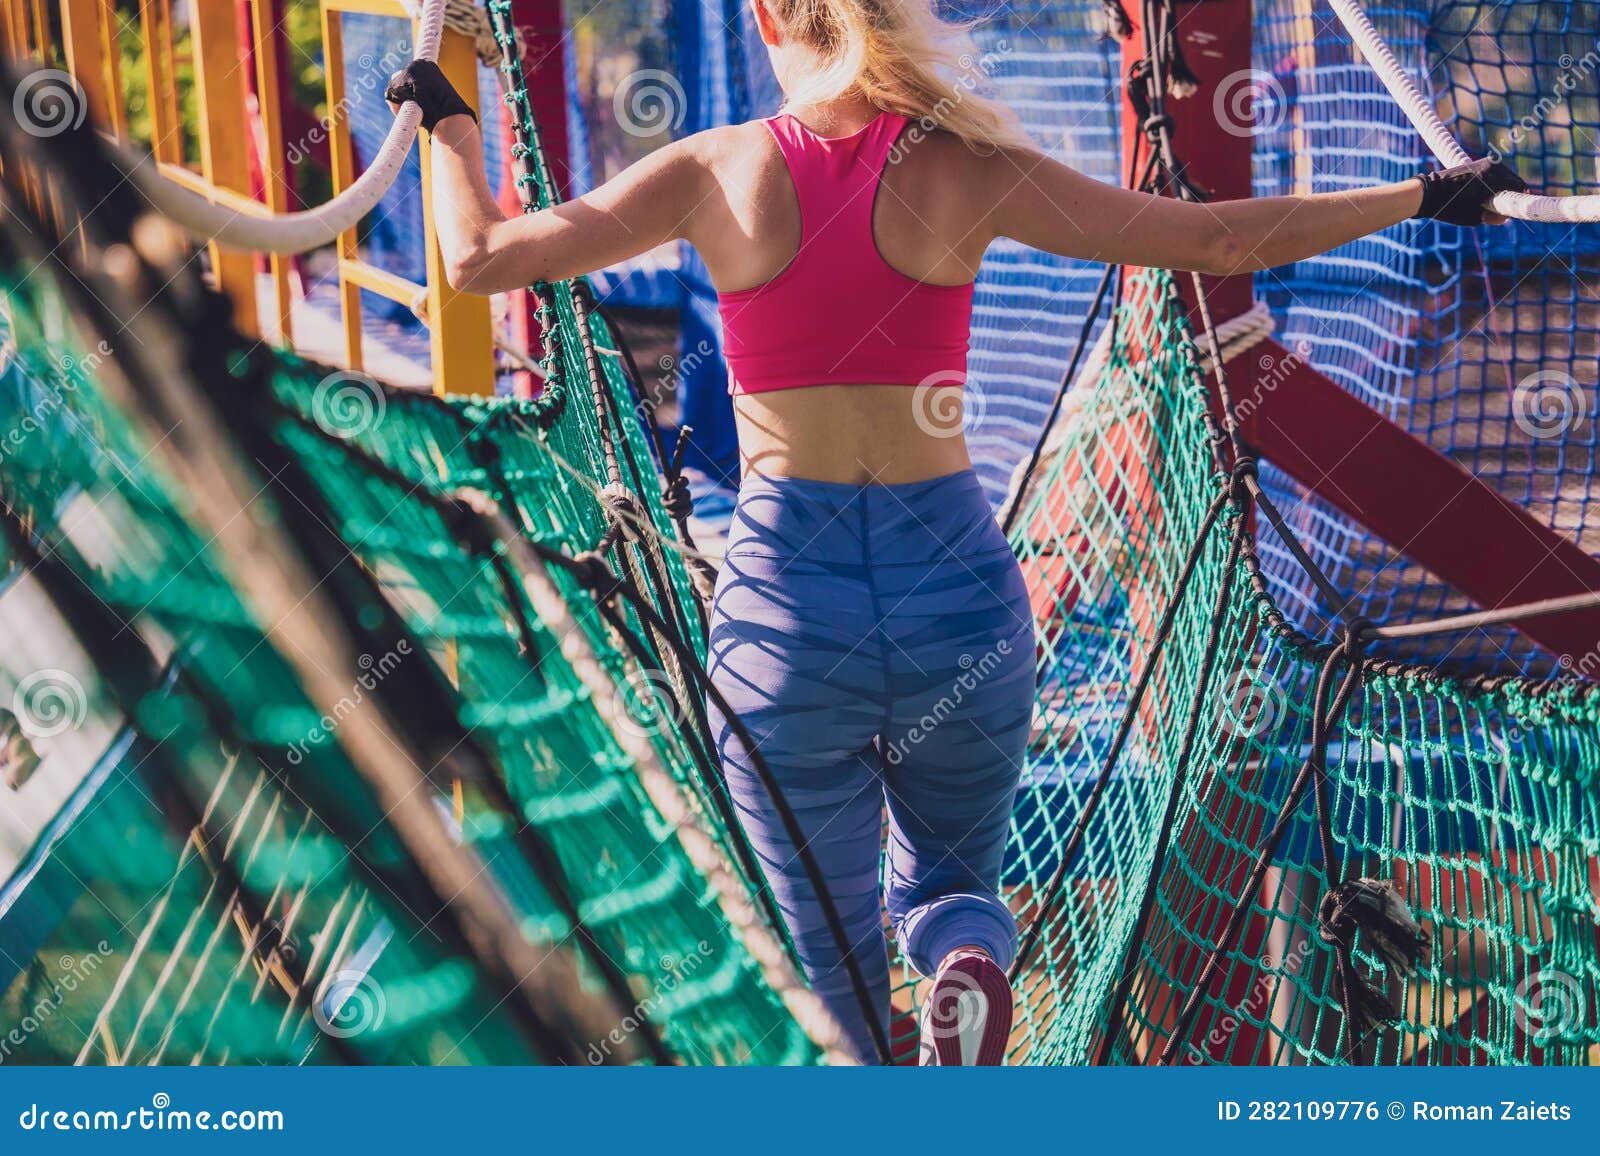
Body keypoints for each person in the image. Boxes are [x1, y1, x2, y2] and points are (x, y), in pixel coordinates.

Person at [387, 0, 1519, 1066]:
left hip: (785, 620)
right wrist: (1420, 195)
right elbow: (1217, 241)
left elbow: (479, 259)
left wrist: (447, 113)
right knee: (953, 890)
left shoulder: (716, 168)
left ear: (768, 22)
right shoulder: (964, 166)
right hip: (960, 604)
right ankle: (965, 958)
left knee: (827, 969)